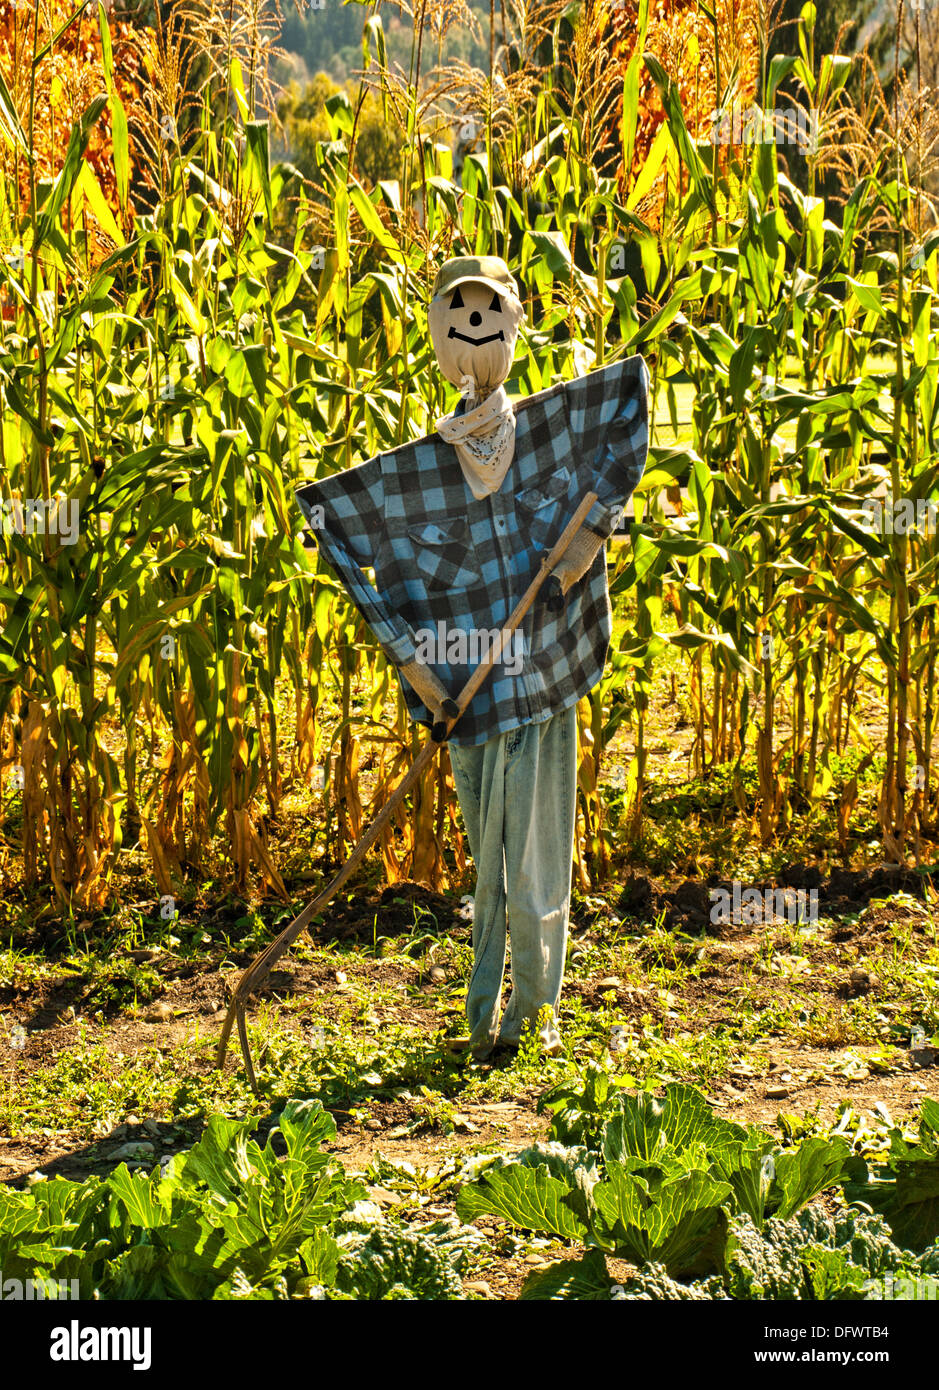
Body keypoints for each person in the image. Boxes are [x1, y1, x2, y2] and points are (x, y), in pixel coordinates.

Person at [297, 255, 650, 1060]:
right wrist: (415, 666)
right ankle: (483, 1014)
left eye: (487, 313)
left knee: (535, 862)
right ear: (439, 335)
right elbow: (327, 527)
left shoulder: (556, 422)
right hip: (467, 691)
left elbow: (630, 399)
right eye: (458, 317)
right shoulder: (411, 472)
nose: (473, 329)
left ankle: (533, 1017)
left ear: (511, 323)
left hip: (544, 675)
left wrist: (587, 537)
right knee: (486, 865)